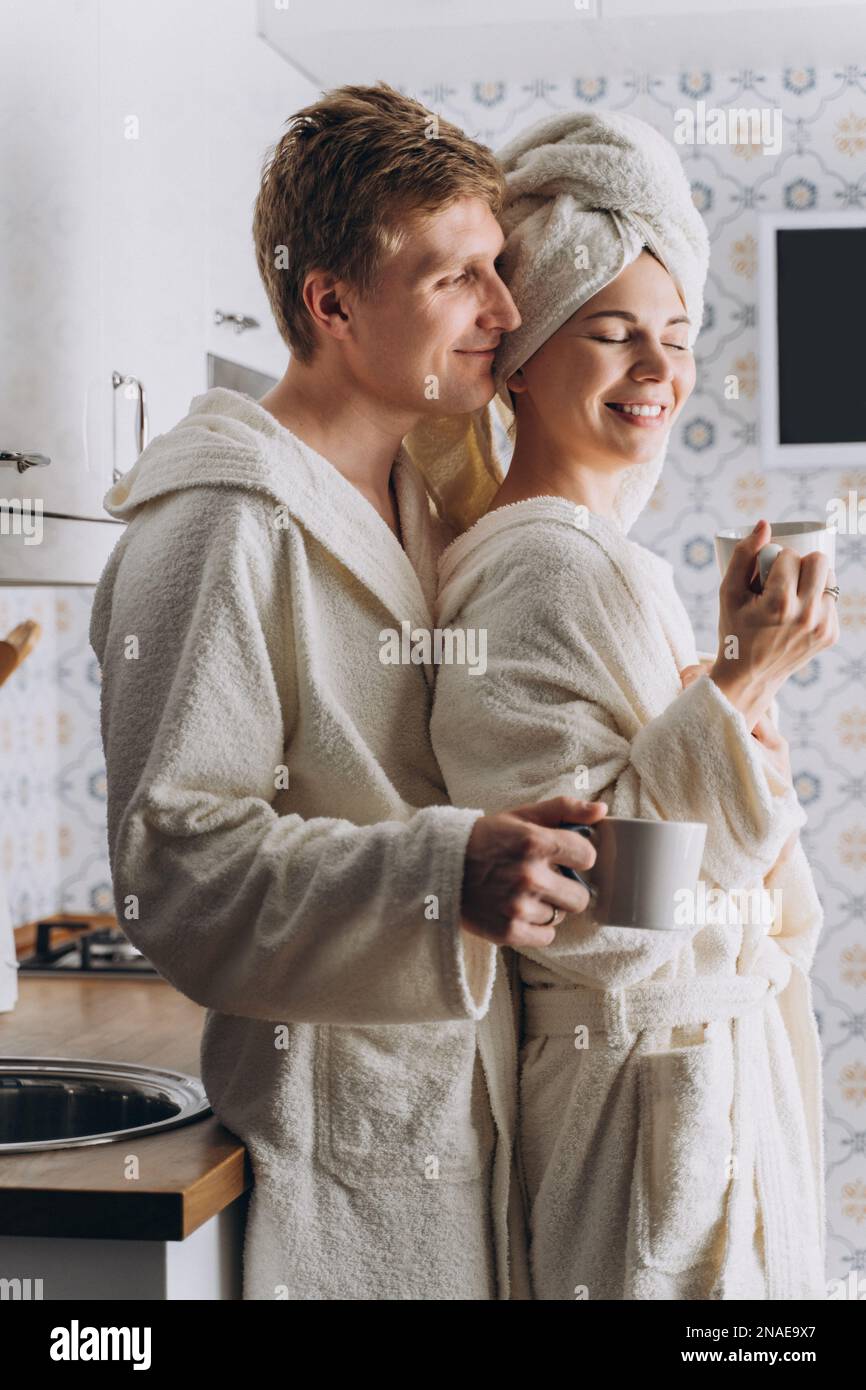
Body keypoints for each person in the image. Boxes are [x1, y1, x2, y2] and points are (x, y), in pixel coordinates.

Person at [88, 83, 604, 1301]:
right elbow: (175, 867)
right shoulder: (216, 526)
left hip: (457, 1099)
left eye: (497, 269)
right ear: (329, 301)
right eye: (454, 279)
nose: (504, 309)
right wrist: (441, 874)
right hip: (336, 1132)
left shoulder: (424, 498)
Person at [418, 110, 839, 1299]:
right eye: (611, 335)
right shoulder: (540, 563)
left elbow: (660, 806)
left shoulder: (608, 560)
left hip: (690, 1093)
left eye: (674, 335)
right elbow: (588, 911)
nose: (658, 372)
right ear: (522, 353)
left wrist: (725, 672)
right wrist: (745, 679)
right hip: (643, 1121)